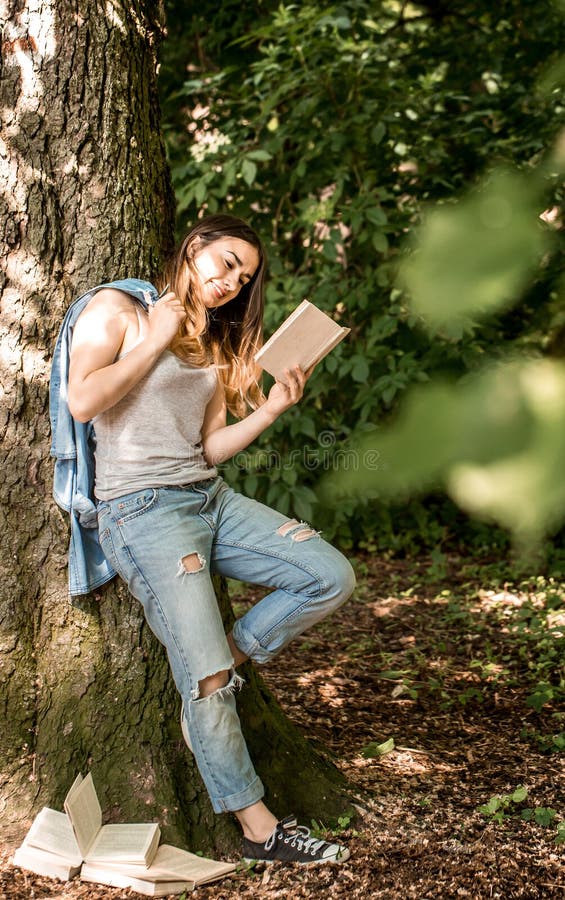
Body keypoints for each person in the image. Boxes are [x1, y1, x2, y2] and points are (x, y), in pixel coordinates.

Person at [65, 213, 356, 865]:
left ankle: (220, 660)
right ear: (194, 247)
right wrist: (155, 338)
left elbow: (210, 446)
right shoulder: (118, 310)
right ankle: (260, 830)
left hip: (209, 498)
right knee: (207, 684)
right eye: (225, 262)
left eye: (243, 277)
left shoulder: (213, 341)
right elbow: (83, 400)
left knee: (327, 575)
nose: (230, 282)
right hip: (143, 512)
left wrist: (272, 409)